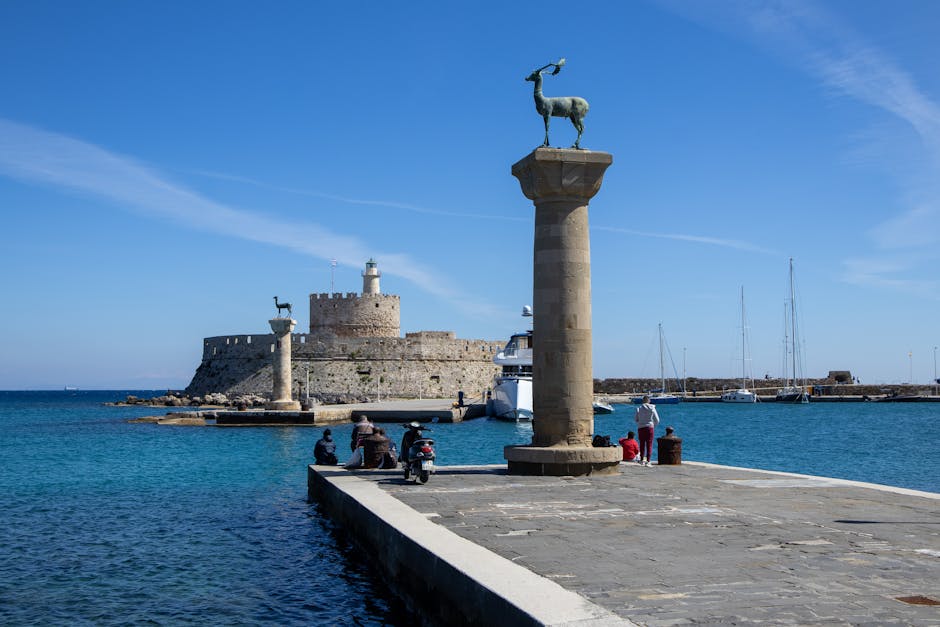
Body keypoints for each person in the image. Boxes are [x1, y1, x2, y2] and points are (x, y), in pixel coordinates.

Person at [634, 395, 660, 466]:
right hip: (649, 427)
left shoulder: (639, 409)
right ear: (649, 401)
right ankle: (648, 461)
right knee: (649, 444)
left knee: (642, 444)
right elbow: (657, 420)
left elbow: (636, 419)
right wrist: (653, 425)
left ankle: (642, 460)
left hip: (641, 428)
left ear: (642, 401)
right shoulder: (652, 408)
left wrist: (641, 422)